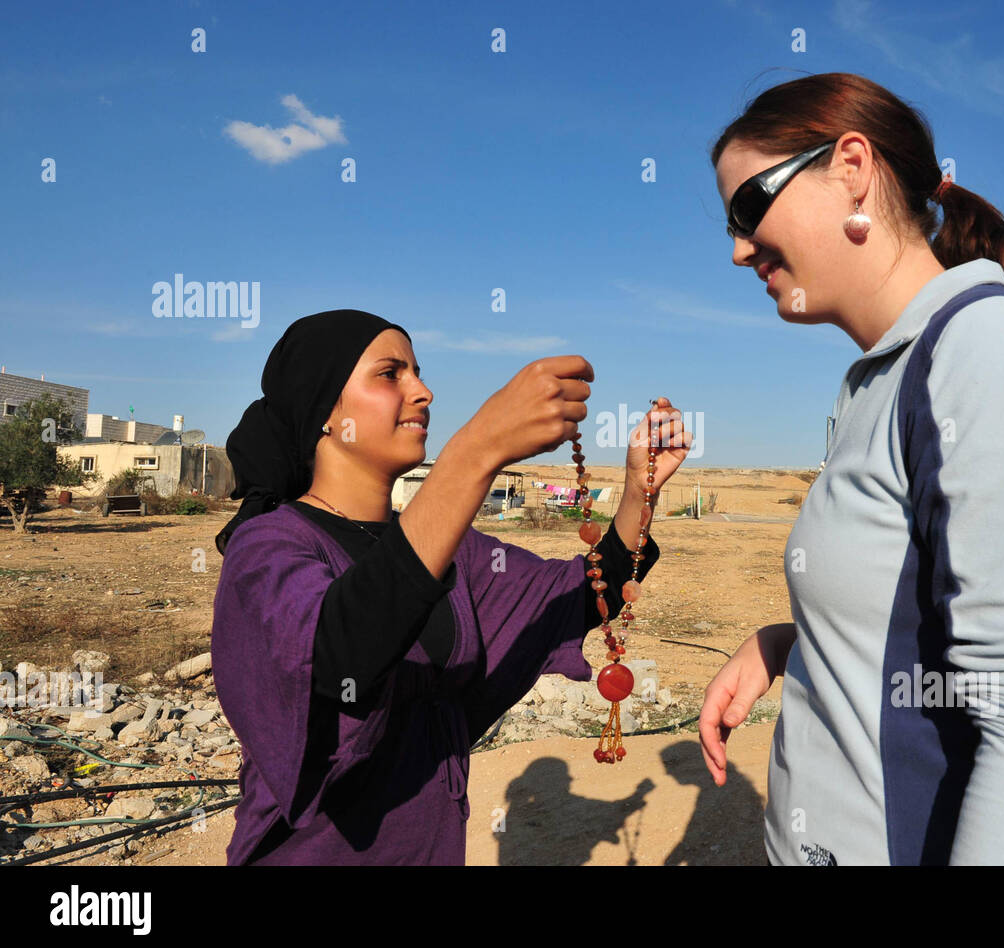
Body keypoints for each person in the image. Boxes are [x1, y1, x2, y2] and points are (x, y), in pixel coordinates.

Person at [698, 73, 1004, 865]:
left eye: (748, 207)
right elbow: (918, 615)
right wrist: (789, 645)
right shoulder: (888, 376)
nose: (736, 248)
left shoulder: (991, 353)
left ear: (853, 168)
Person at [210, 309, 690, 864]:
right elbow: (338, 658)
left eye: (418, 371)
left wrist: (640, 490)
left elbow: (582, 594)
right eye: (391, 374)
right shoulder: (268, 547)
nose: (424, 392)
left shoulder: (455, 552)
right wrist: (475, 452)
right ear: (324, 410)